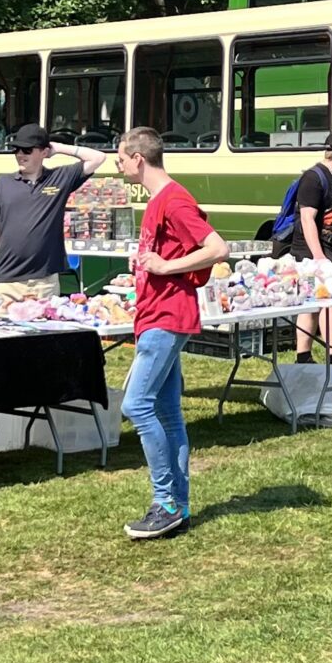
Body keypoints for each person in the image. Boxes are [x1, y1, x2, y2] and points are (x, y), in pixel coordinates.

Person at [117, 127, 227, 537]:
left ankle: (164, 501)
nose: (119, 167)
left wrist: (164, 268)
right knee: (166, 411)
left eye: (121, 160)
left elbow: (217, 248)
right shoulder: (157, 202)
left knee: (136, 405)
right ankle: (178, 506)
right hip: (156, 314)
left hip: (167, 316)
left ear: (138, 159)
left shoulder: (173, 199)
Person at [0, 125, 108, 306]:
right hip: (6, 282)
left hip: (44, 284)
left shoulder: (60, 178)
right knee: (2, 333)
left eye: (27, 149)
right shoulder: (4, 183)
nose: (20, 154)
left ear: (44, 152)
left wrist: (59, 148)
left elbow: (98, 158)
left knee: (42, 333)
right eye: (16, 149)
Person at [272, 130, 332, 362]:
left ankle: (314, 357)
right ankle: (318, 357)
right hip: (311, 255)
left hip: (329, 252)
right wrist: (319, 258)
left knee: (320, 303)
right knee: (323, 304)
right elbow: (307, 219)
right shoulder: (313, 177)